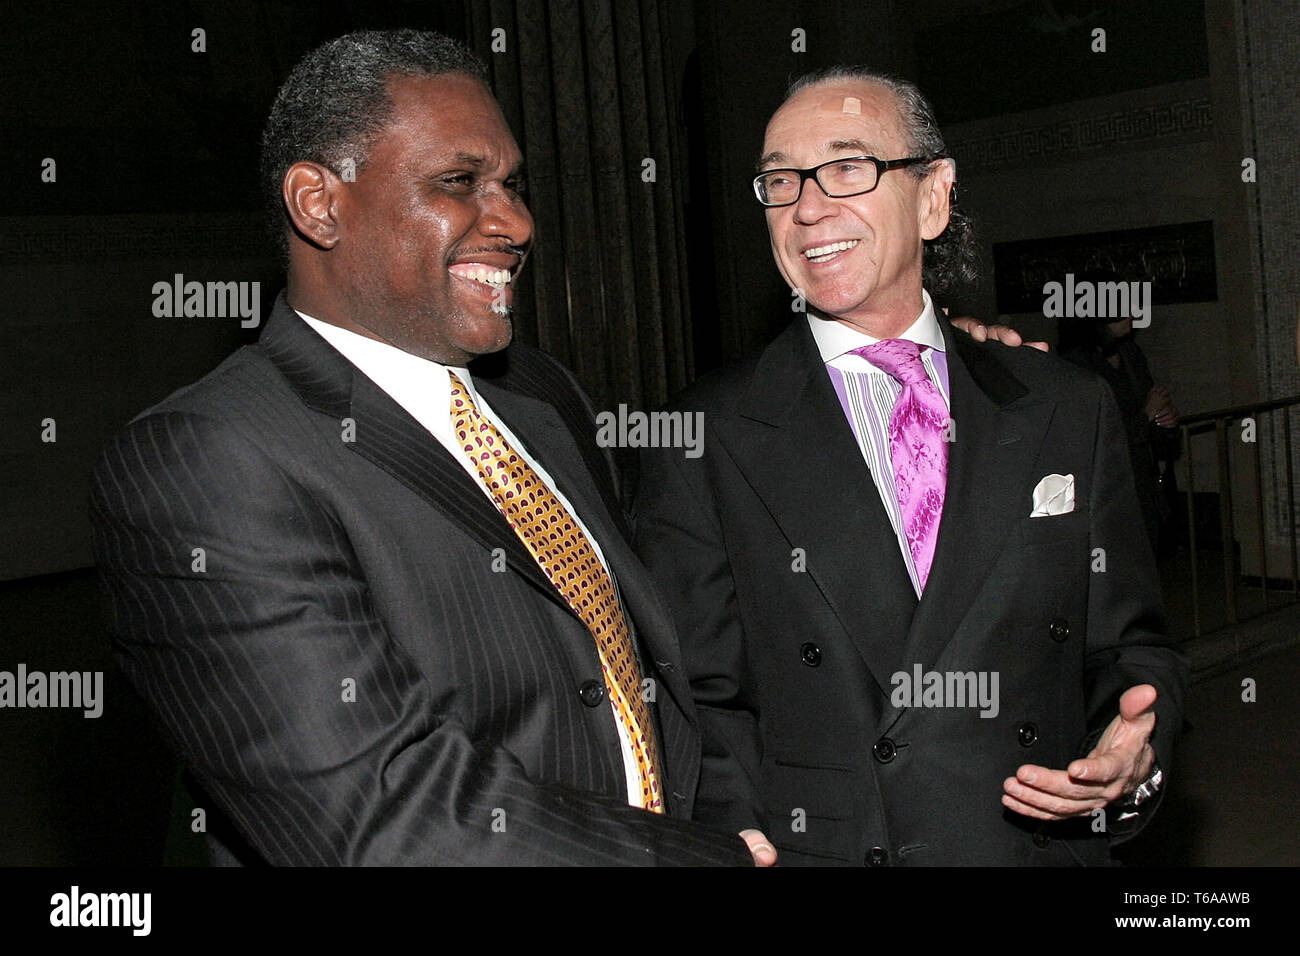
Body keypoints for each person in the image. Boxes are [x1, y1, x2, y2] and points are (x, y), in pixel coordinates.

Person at [89, 29, 773, 866]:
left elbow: (643, 666)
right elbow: (380, 817)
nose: (516, 221)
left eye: (512, 185)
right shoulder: (203, 460)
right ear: (319, 203)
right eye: (459, 183)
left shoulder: (540, 395)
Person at [633, 66, 1190, 865]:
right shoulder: (702, 433)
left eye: (848, 166)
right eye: (780, 179)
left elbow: (1134, 649)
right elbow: (697, 697)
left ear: (934, 196)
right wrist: (730, 832)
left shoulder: (1065, 405)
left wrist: (1131, 751)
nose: (808, 205)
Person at [1058, 293, 1181, 557]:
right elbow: (1093, 430)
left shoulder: (1130, 353)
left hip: (1142, 478)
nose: (1130, 317)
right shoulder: (1076, 364)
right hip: (1109, 486)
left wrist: (1164, 421)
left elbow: (1150, 401)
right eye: (1119, 311)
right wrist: (1146, 415)